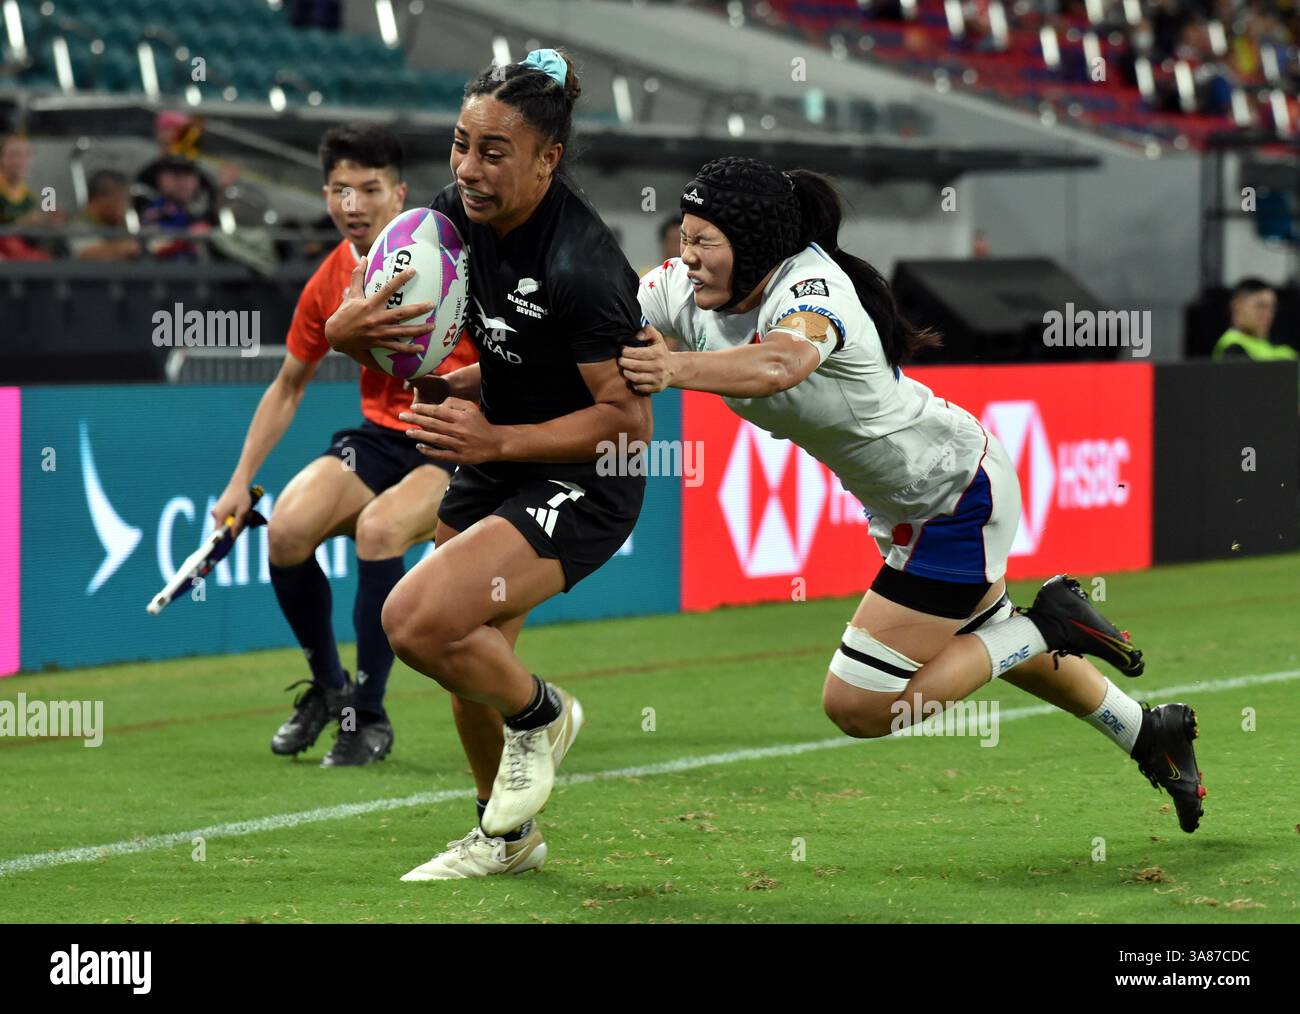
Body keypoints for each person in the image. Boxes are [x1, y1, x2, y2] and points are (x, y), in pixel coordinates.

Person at [624, 157, 1205, 834]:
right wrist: (481, 380)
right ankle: (1147, 731)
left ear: (753, 243)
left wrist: (671, 367)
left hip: (953, 500)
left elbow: (780, 363)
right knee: (990, 640)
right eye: (683, 239)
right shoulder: (679, 291)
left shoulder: (813, 292)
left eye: (703, 242)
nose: (685, 258)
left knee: (860, 706)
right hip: (911, 506)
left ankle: (1049, 623)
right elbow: (584, 334)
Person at [325, 48, 651, 879]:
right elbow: (448, 346)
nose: (468, 168)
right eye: (461, 143)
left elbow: (626, 422)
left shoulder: (583, 264)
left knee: (416, 621)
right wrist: (351, 335)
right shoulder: (450, 220)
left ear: (549, 159)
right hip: (497, 448)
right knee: (468, 655)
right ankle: (505, 840)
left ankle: (542, 715)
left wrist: (495, 439)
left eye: (494, 151)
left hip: (584, 478)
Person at [211, 124, 477, 767]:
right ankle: (330, 688)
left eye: (368, 188)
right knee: (286, 532)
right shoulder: (332, 277)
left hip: (453, 440)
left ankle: (371, 714)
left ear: (399, 193)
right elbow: (287, 386)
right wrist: (238, 479)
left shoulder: (460, 258)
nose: (351, 205)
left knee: (381, 531)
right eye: (338, 190)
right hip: (379, 438)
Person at [1211, 278, 1297, 362]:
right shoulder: (1232, 349)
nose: (1269, 314)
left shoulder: (1282, 348)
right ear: (1237, 306)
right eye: (1261, 306)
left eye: (1272, 308)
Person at [68, 170, 141, 262]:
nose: (124, 206)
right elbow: (86, 254)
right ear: (101, 198)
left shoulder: (114, 225)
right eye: (121, 198)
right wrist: (126, 248)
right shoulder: (78, 225)